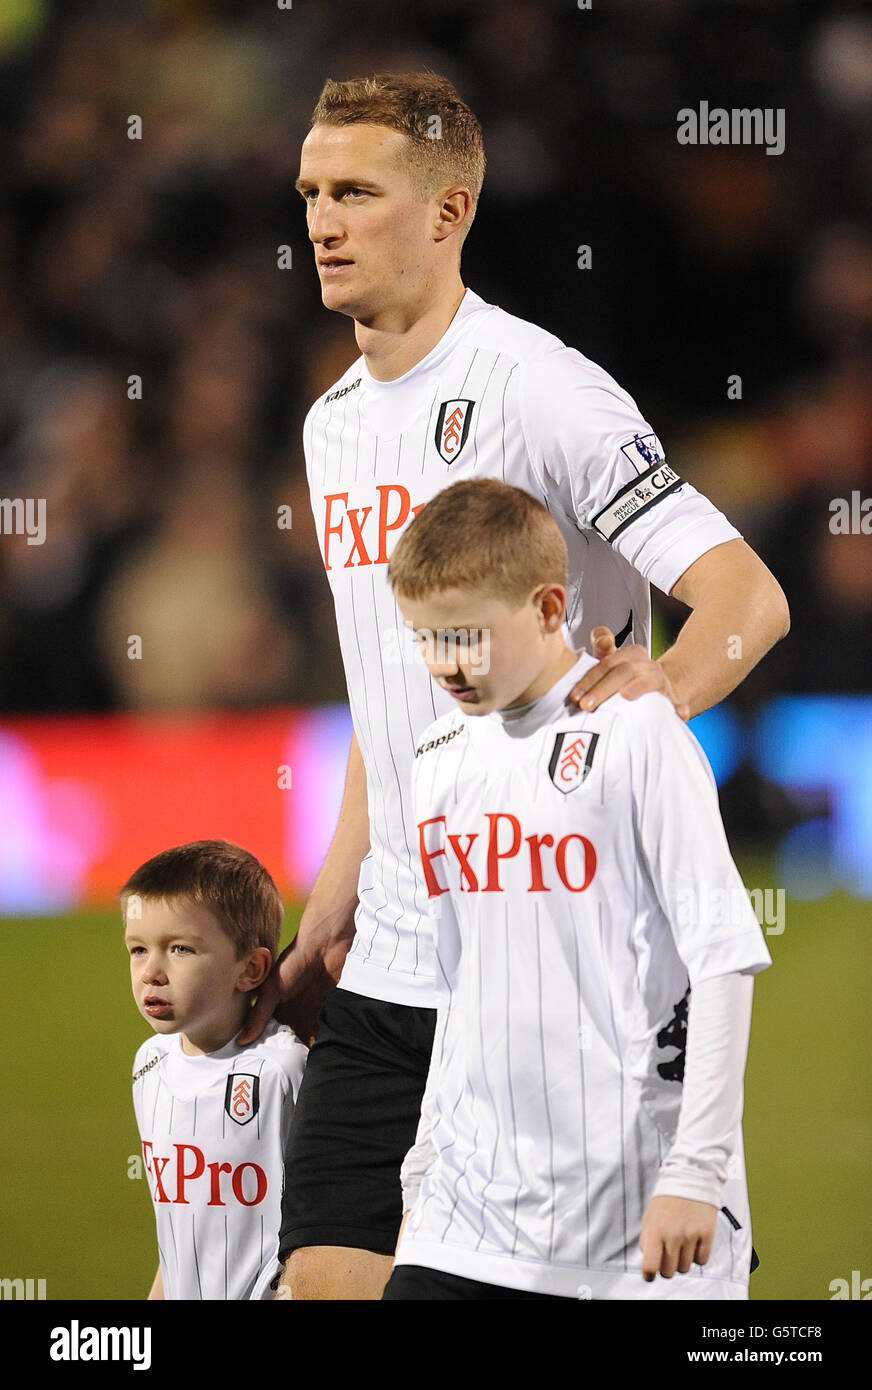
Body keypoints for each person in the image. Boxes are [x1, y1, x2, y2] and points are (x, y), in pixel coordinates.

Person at [240, 70, 789, 1301]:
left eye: (356, 193)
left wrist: (642, 708)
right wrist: (331, 902)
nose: (320, 221)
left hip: (548, 939)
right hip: (392, 944)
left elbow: (744, 599)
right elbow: (383, 701)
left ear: (449, 212)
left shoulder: (544, 389)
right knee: (309, 1274)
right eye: (311, 193)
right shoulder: (331, 425)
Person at [381, 477, 772, 1300]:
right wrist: (423, 1169)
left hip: (636, 1219)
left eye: (463, 636)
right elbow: (459, 985)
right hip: (467, 1218)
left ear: (551, 606)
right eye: (423, 638)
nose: (441, 664)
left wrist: (696, 1172)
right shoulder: (437, 759)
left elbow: (725, 958)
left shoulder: (638, 732)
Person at [122, 840, 307, 1300]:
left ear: (250, 969)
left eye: (180, 949)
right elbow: (181, 1238)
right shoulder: (149, 1064)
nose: (151, 972)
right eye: (138, 950)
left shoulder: (283, 1067)